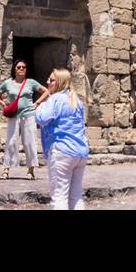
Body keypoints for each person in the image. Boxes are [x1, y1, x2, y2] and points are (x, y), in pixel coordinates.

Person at [33, 68, 90, 210]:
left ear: (60, 82)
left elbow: (42, 119)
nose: (47, 82)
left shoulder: (55, 99)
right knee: (76, 196)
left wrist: (39, 106)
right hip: (80, 152)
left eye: (51, 80)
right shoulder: (76, 100)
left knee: (59, 197)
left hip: (62, 151)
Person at [0, 60, 47, 180]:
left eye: (23, 67)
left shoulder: (31, 82)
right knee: (11, 142)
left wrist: (37, 103)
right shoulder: (8, 83)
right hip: (14, 116)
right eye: (18, 67)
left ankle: (31, 170)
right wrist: (4, 105)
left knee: (29, 142)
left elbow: (46, 91)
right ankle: (6, 170)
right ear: (14, 69)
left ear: (26, 69)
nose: (21, 69)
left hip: (28, 115)